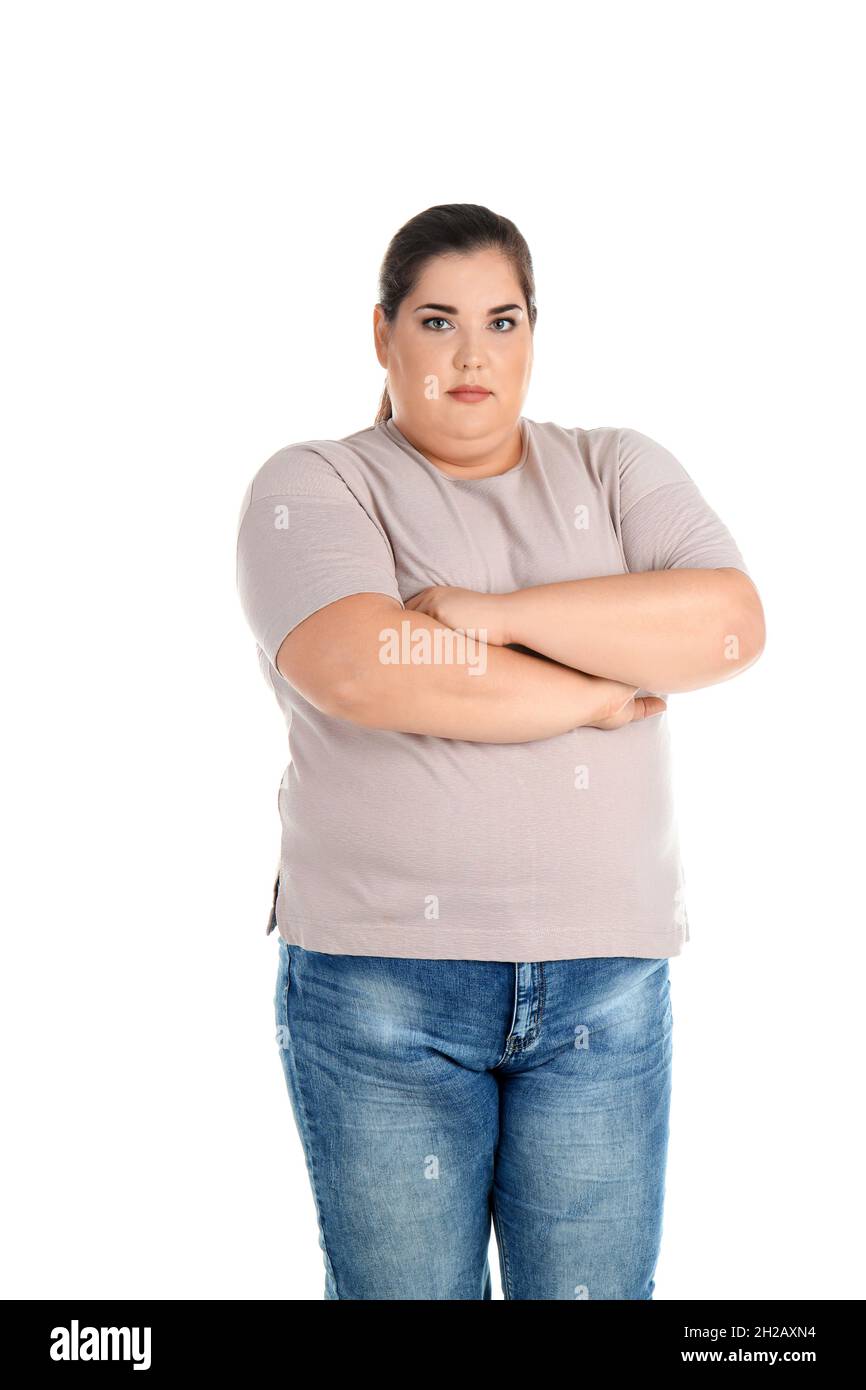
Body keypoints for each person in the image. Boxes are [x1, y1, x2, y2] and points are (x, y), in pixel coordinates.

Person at [235, 203, 766, 1300]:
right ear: (381, 335)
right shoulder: (315, 484)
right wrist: (596, 684)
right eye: (436, 321)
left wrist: (489, 614)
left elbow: (724, 626)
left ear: (534, 332)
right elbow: (364, 666)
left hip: (603, 988)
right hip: (383, 989)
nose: (471, 353)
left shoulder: (616, 467)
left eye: (501, 319)